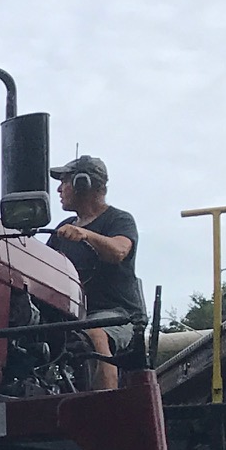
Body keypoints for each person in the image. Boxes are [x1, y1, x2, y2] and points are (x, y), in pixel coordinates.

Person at [47, 154, 142, 392]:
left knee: (95, 334)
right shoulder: (63, 229)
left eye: (64, 182)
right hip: (70, 317)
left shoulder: (119, 219)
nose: (59, 189)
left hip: (115, 315)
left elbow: (119, 251)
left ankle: (105, 406)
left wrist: (87, 235)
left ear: (83, 184)